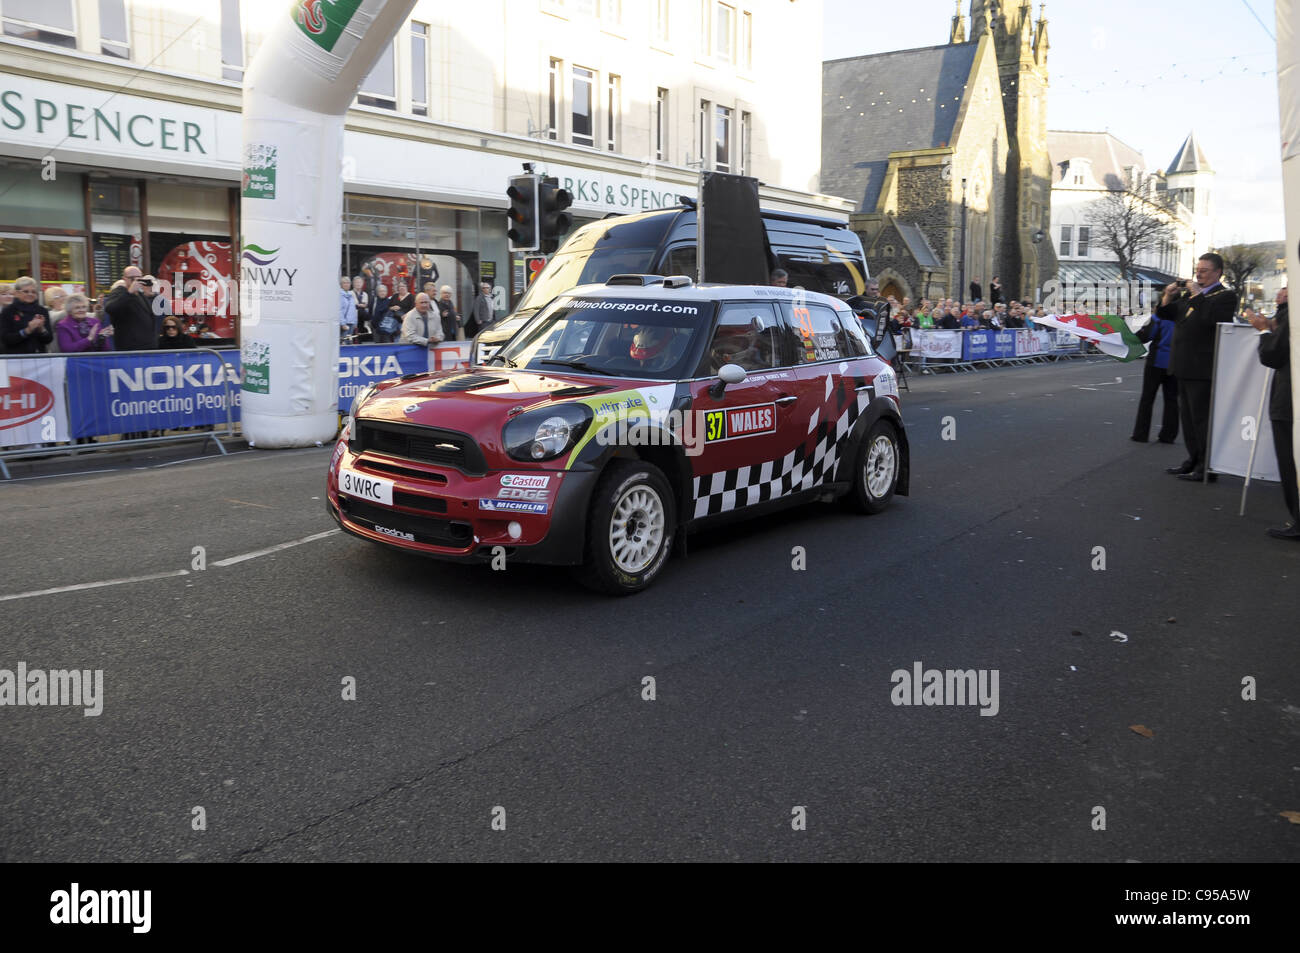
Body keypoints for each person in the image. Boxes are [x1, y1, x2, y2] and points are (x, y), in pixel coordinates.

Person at [1159, 254, 1238, 482]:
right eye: (1197, 269)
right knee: (1188, 419)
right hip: (1182, 365)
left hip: (1202, 367)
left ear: (1218, 272)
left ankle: (1206, 467)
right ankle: (1192, 460)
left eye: (1204, 270)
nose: (1199, 274)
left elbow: (1212, 319)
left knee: (1201, 420)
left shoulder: (1225, 296)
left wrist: (1196, 293)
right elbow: (1167, 315)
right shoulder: (1191, 296)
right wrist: (1168, 296)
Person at [1245, 288, 1297, 539]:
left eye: (1284, 294)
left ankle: (1298, 519)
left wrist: (1264, 330)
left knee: (1290, 462)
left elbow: (1272, 355)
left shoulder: (1293, 315)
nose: (1280, 296)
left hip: (1290, 400)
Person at [1131, 308, 1178, 444]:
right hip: (1175, 362)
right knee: (1172, 401)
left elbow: (1146, 336)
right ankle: (1168, 435)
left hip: (1156, 361)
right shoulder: (1182, 317)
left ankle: (1141, 434)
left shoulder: (1158, 318)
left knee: (1147, 398)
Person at [102, 267, 156, 352]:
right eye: (132, 278)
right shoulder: (119, 292)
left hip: (147, 347)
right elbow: (110, 308)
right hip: (130, 348)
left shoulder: (141, 295)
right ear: (124, 279)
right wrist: (129, 292)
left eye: (138, 278)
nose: (136, 281)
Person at [1, 276, 53, 353]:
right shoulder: (8, 311)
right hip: (16, 359)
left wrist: (41, 329)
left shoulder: (42, 310)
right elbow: (5, 339)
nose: (30, 294)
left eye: (33, 292)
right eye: (26, 291)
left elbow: (48, 340)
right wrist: (27, 330)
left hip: (39, 358)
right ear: (17, 293)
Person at [351, 276, 372, 343]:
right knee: (353, 335)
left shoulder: (365, 294)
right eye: (356, 282)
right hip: (353, 316)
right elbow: (354, 305)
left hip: (362, 318)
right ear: (353, 283)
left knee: (361, 334)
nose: (358, 284)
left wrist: (359, 305)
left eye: (360, 282)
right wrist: (360, 305)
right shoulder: (350, 293)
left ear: (362, 284)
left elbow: (365, 305)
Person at [339, 277, 357, 342]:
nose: (346, 284)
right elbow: (339, 310)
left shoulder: (351, 294)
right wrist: (343, 323)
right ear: (341, 284)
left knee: (349, 342)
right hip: (344, 323)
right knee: (344, 342)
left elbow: (353, 309)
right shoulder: (339, 295)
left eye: (348, 283)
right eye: (344, 283)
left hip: (351, 323)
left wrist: (355, 322)